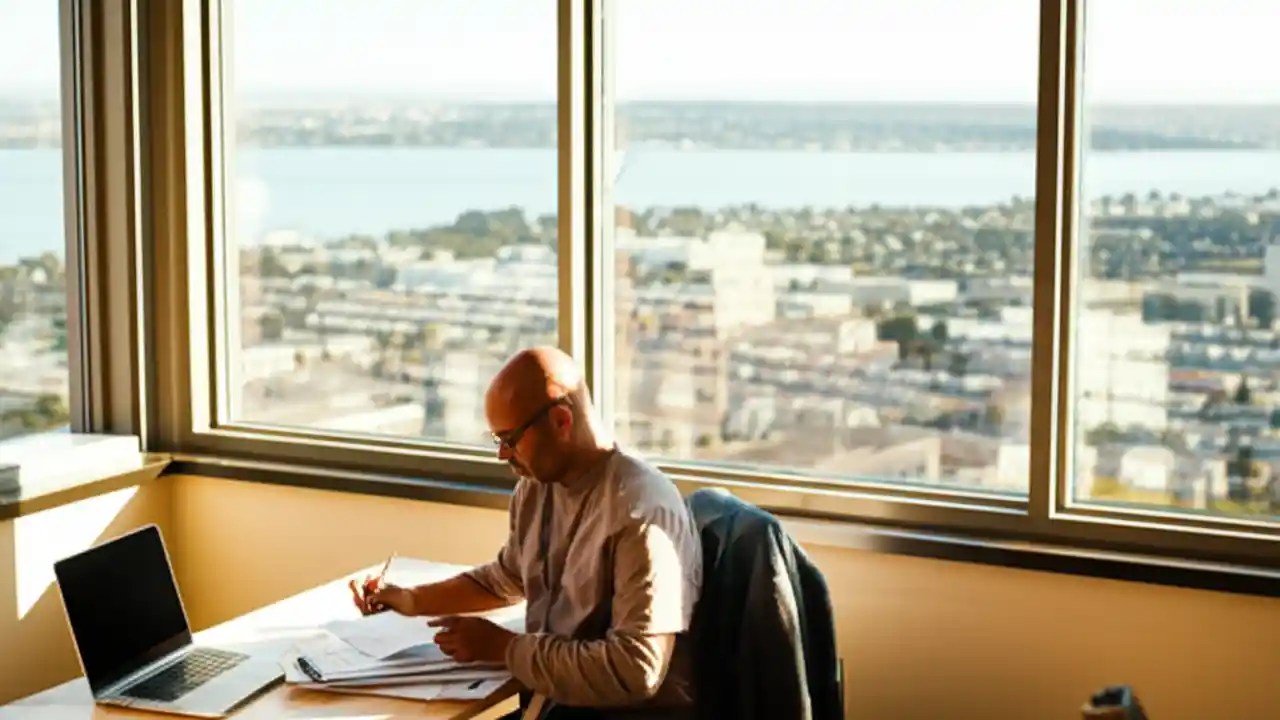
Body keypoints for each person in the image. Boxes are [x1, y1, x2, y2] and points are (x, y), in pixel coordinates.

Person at [350, 346, 702, 718]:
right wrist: (410, 600)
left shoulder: (640, 509)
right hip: (553, 706)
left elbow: (636, 669)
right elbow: (506, 578)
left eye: (510, 438)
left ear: (562, 421)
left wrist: (505, 648)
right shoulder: (538, 488)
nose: (502, 454)